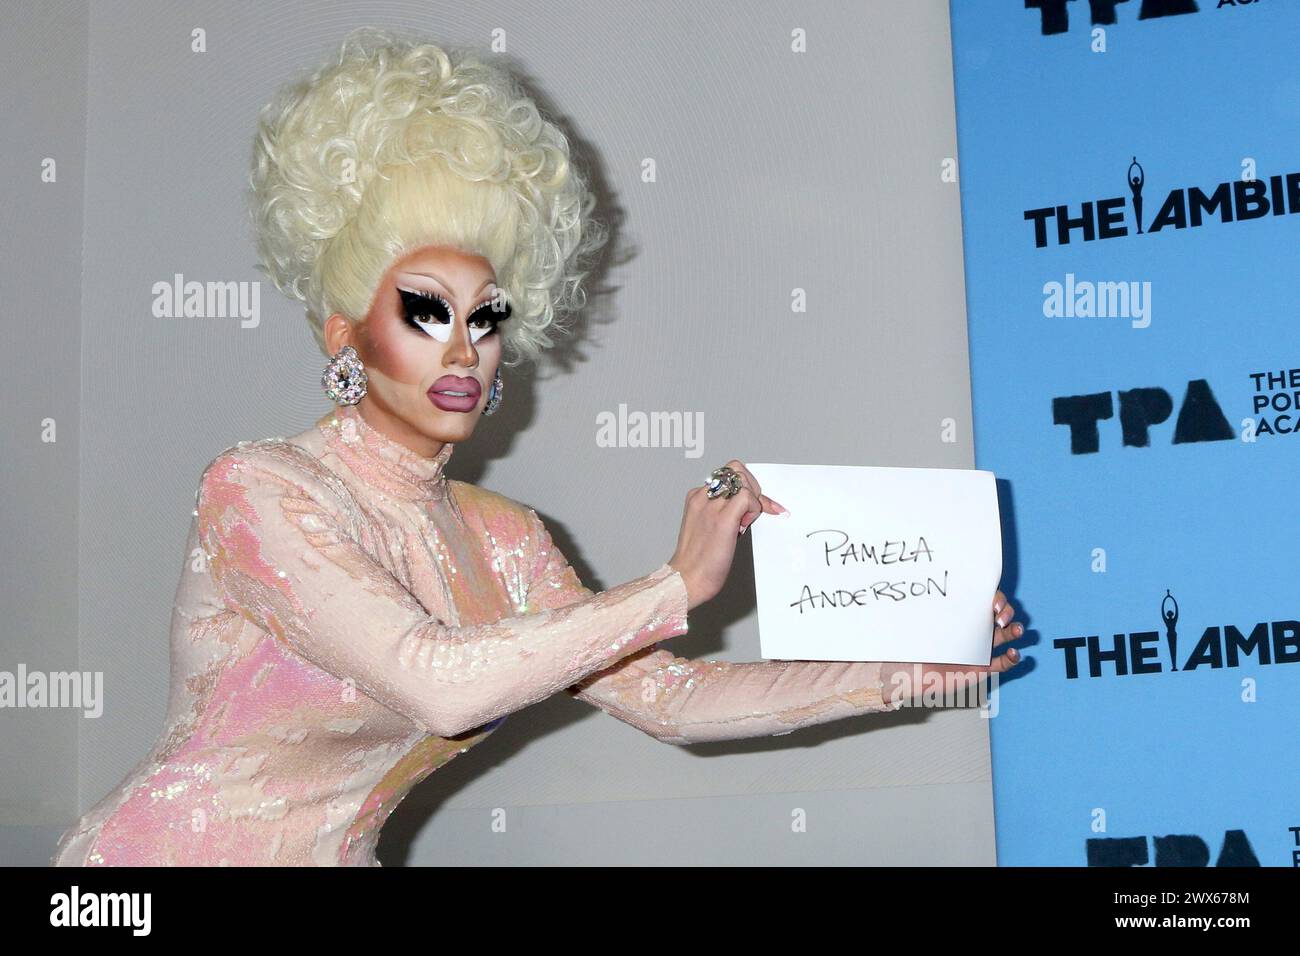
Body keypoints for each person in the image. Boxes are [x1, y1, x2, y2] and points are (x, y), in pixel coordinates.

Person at [51, 28, 1023, 867]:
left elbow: (671, 698)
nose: (464, 345)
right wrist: (672, 586)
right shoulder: (258, 491)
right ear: (342, 334)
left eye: (488, 314)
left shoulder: (507, 539)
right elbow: (434, 679)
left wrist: (917, 668)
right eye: (425, 312)